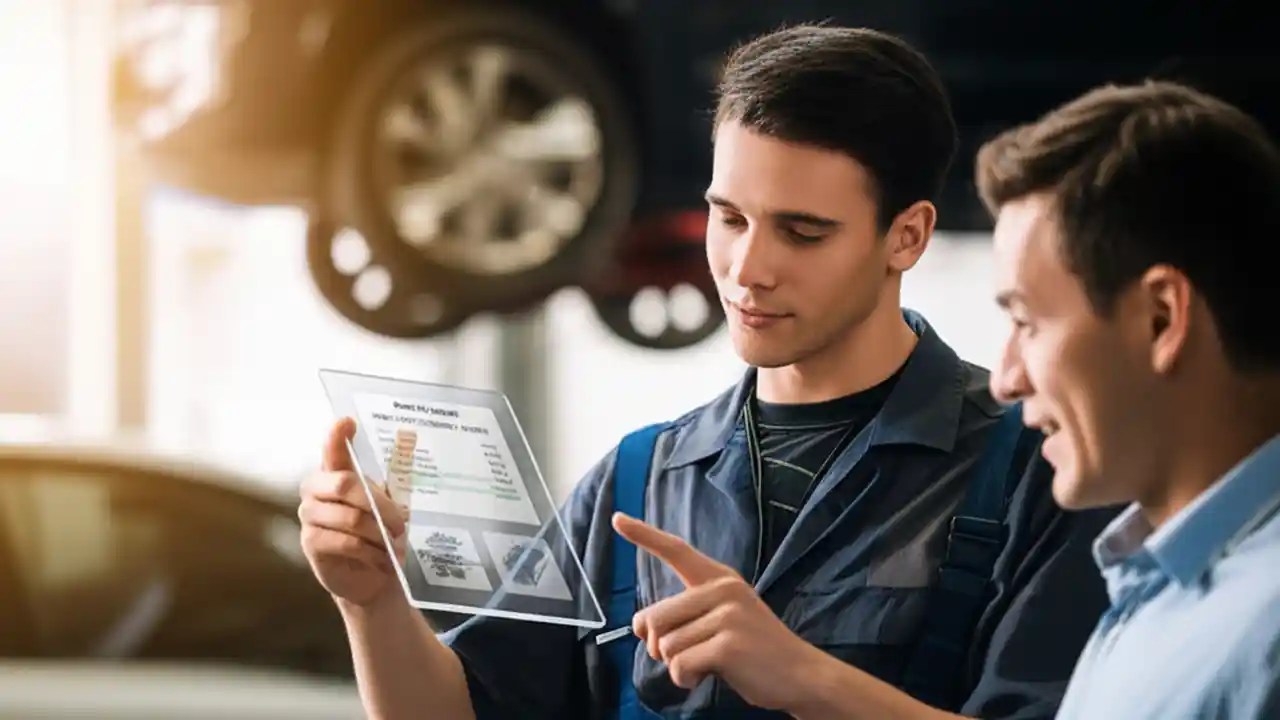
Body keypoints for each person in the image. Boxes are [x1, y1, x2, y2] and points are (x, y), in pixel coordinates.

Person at [298, 25, 1114, 719]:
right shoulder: (637, 481)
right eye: (729, 218)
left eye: (802, 231)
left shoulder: (1034, 476)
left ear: (906, 236)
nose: (746, 269)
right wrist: (369, 602)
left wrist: (802, 677)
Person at [976, 80, 1280, 718]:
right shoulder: (1158, 592)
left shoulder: (1261, 633)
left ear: (1162, 319)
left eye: (1027, 322)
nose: (1005, 378)